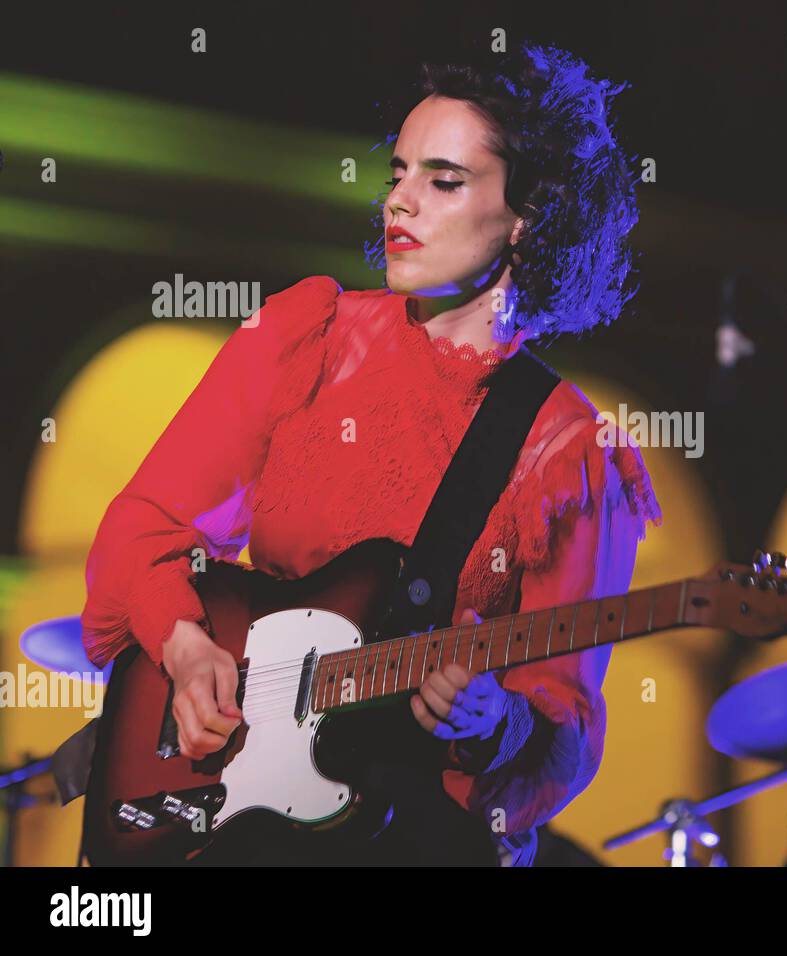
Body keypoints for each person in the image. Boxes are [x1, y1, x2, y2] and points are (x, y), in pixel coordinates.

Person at [81, 44, 661, 866]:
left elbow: (565, 722)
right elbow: (143, 526)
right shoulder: (305, 334)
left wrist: (496, 725)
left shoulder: (568, 453)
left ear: (529, 215)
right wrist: (185, 649)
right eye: (397, 172)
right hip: (245, 808)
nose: (399, 200)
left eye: (443, 180)